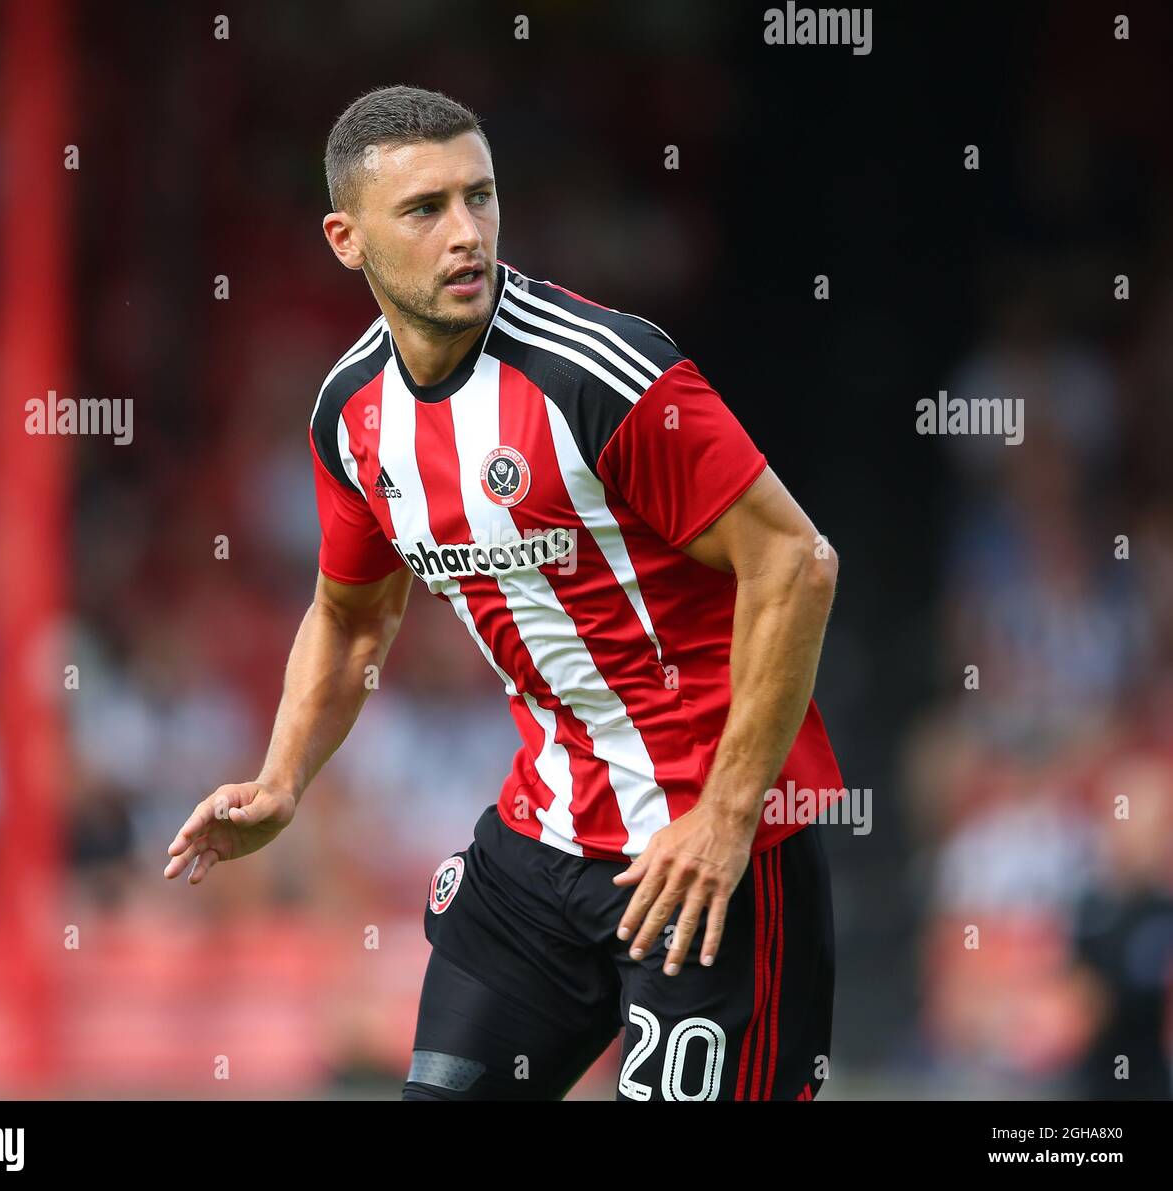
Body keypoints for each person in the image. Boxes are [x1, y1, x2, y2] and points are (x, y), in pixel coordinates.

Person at [165, 84, 845, 1101]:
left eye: (478, 199)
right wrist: (282, 781)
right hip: (539, 846)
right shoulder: (350, 412)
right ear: (346, 239)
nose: (465, 233)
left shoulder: (598, 375)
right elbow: (351, 616)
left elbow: (795, 563)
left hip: (704, 860)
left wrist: (725, 815)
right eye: (425, 209)